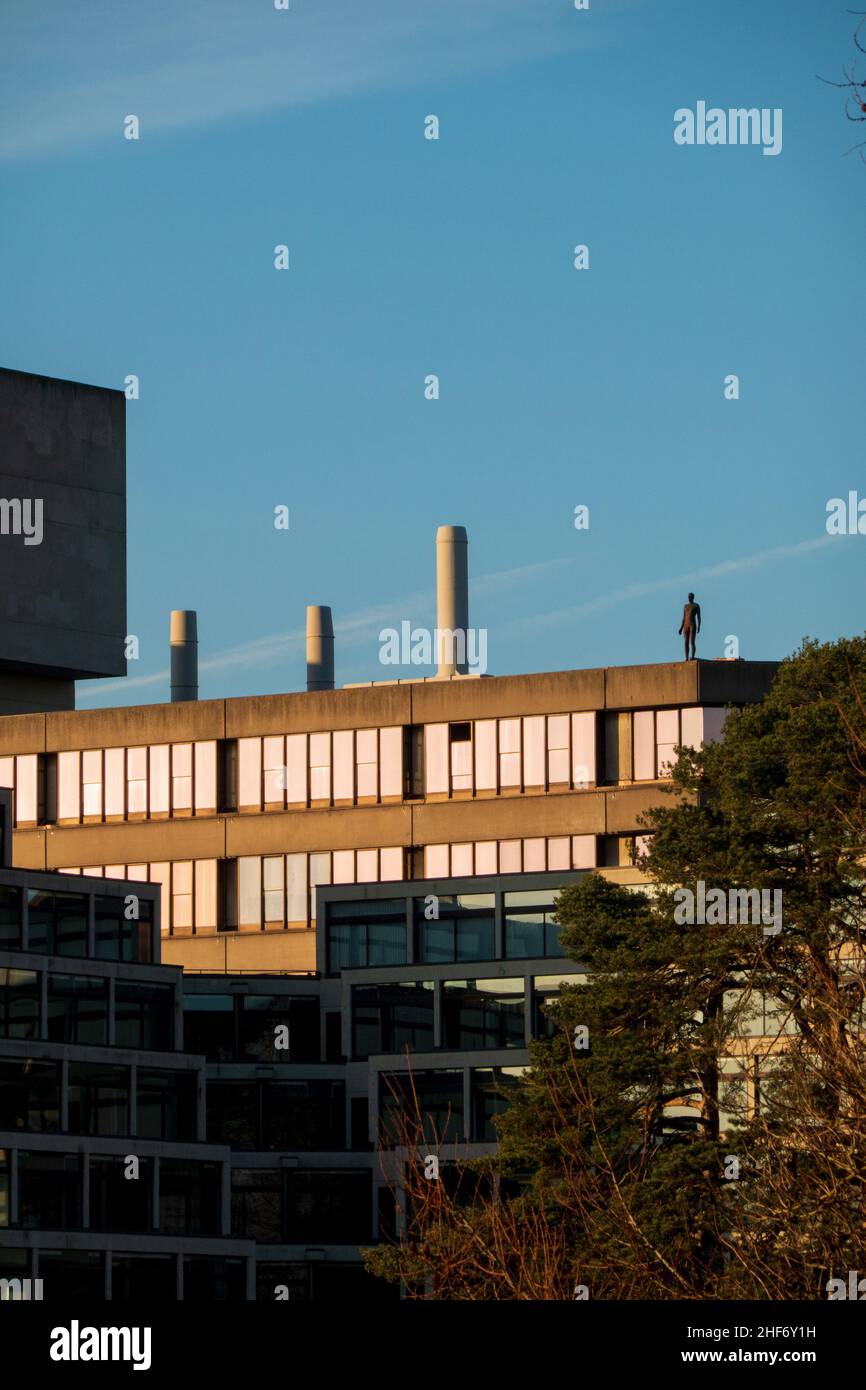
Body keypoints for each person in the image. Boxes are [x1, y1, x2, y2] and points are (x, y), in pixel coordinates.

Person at [678, 592, 701, 661]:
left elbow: (699, 617)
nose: (689, 598)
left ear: (693, 597)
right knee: (686, 642)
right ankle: (686, 658)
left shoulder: (696, 605)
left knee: (692, 642)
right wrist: (681, 628)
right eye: (688, 597)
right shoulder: (685, 606)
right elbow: (683, 618)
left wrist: (699, 626)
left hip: (692, 625)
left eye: (690, 596)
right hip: (685, 625)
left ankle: (692, 656)